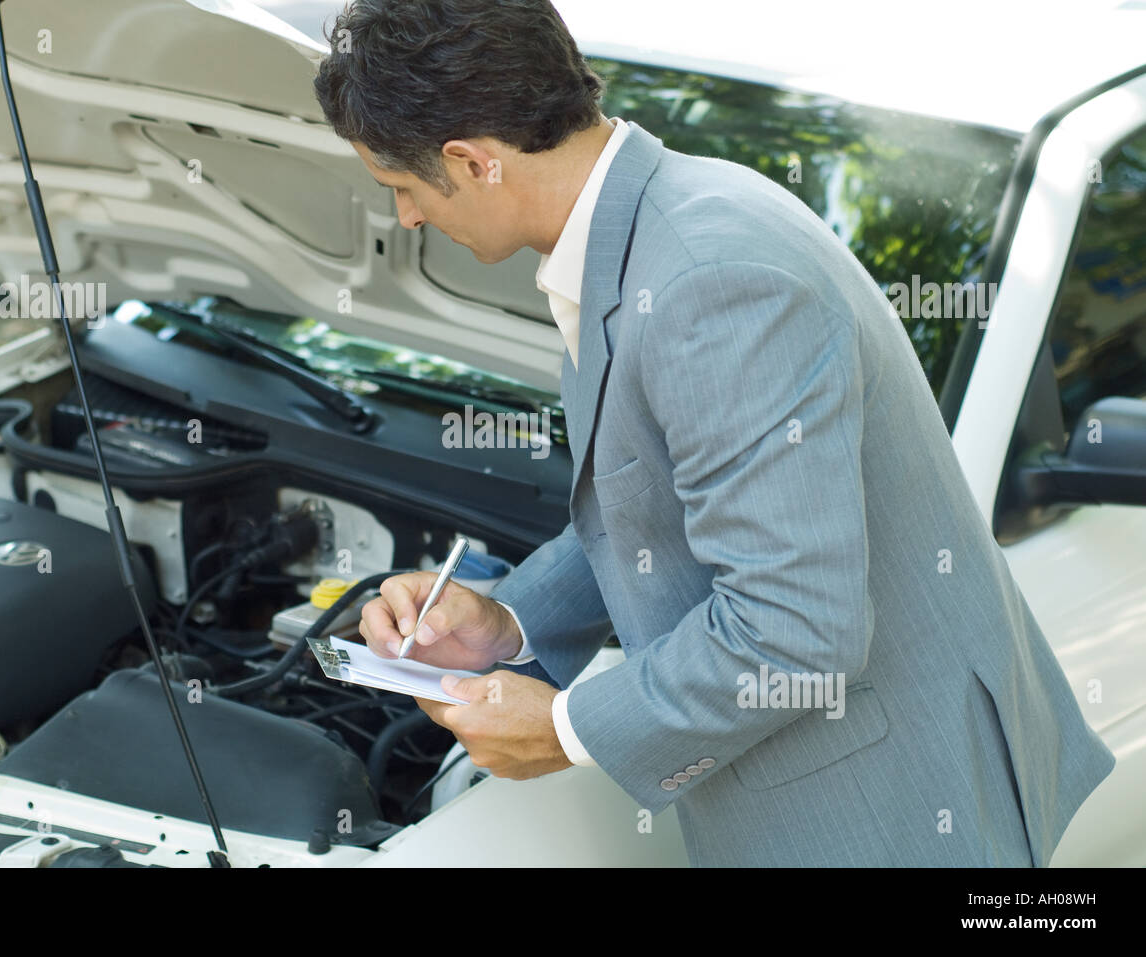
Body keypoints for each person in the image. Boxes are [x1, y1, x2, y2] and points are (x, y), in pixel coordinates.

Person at [313, 0, 1115, 866]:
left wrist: (566, 727)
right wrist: (510, 623)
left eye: (400, 188)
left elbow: (795, 624)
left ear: (472, 162)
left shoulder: (708, 279)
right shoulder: (652, 224)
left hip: (885, 813)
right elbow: (660, 491)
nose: (406, 220)